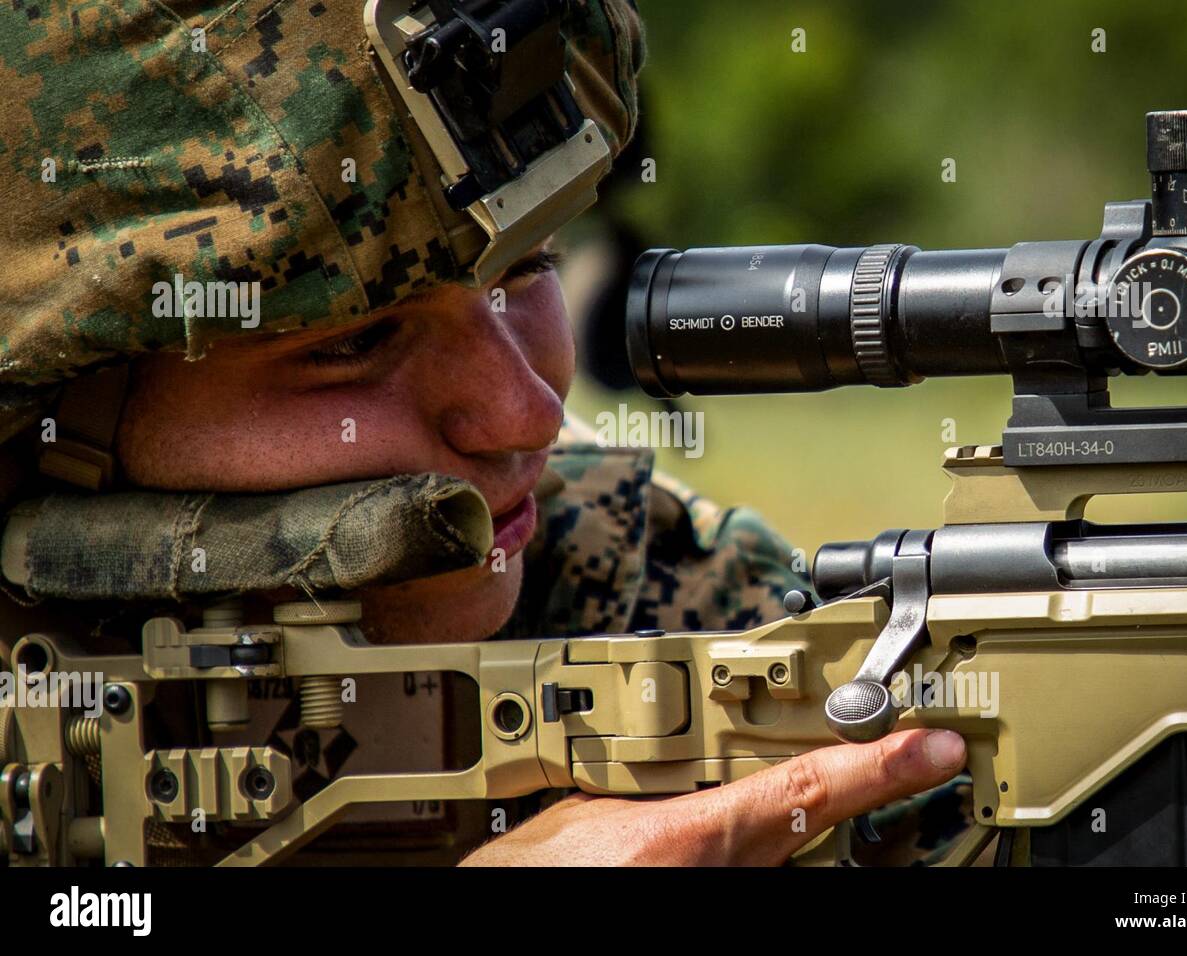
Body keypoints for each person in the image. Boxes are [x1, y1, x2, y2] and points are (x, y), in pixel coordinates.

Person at [0, 0, 968, 865]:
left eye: (526, 268)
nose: (526, 414)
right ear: (62, 400)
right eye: (355, 342)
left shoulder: (665, 594)